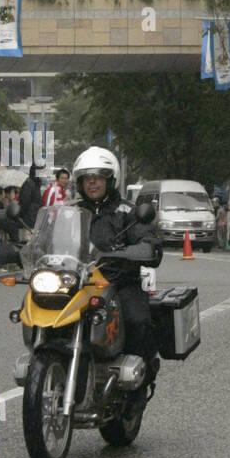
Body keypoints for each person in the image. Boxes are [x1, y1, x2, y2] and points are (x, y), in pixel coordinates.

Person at [71, 146, 162, 385]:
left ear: (110, 180)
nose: (92, 183)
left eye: (98, 177)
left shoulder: (128, 212)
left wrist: (141, 248)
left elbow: (148, 240)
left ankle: (140, 377)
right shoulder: (72, 212)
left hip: (118, 282)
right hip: (78, 283)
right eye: (86, 178)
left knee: (137, 320)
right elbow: (50, 242)